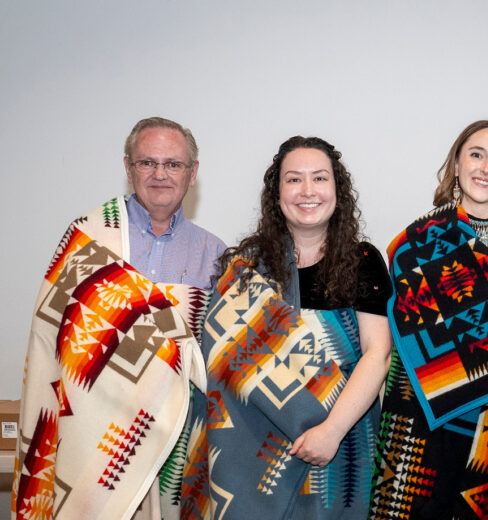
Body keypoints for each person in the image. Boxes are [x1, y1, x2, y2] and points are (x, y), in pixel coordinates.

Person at [12, 117, 226, 520]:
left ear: (192, 172)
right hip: (91, 436)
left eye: (173, 164)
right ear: (128, 168)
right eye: (147, 163)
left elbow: (214, 356)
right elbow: (49, 335)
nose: (160, 174)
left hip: (175, 443)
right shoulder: (87, 238)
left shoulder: (215, 255)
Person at [180, 136, 392, 519]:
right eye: (294, 179)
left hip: (341, 441)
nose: (307, 190)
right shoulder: (246, 268)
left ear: (338, 190)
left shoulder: (363, 261)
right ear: (277, 194)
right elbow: (219, 363)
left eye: (320, 178)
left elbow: (377, 355)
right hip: (253, 446)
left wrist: (331, 431)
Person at [369, 121, 488, 519]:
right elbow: (403, 343)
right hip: (426, 418)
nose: (486, 168)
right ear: (457, 164)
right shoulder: (414, 245)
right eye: (476, 155)